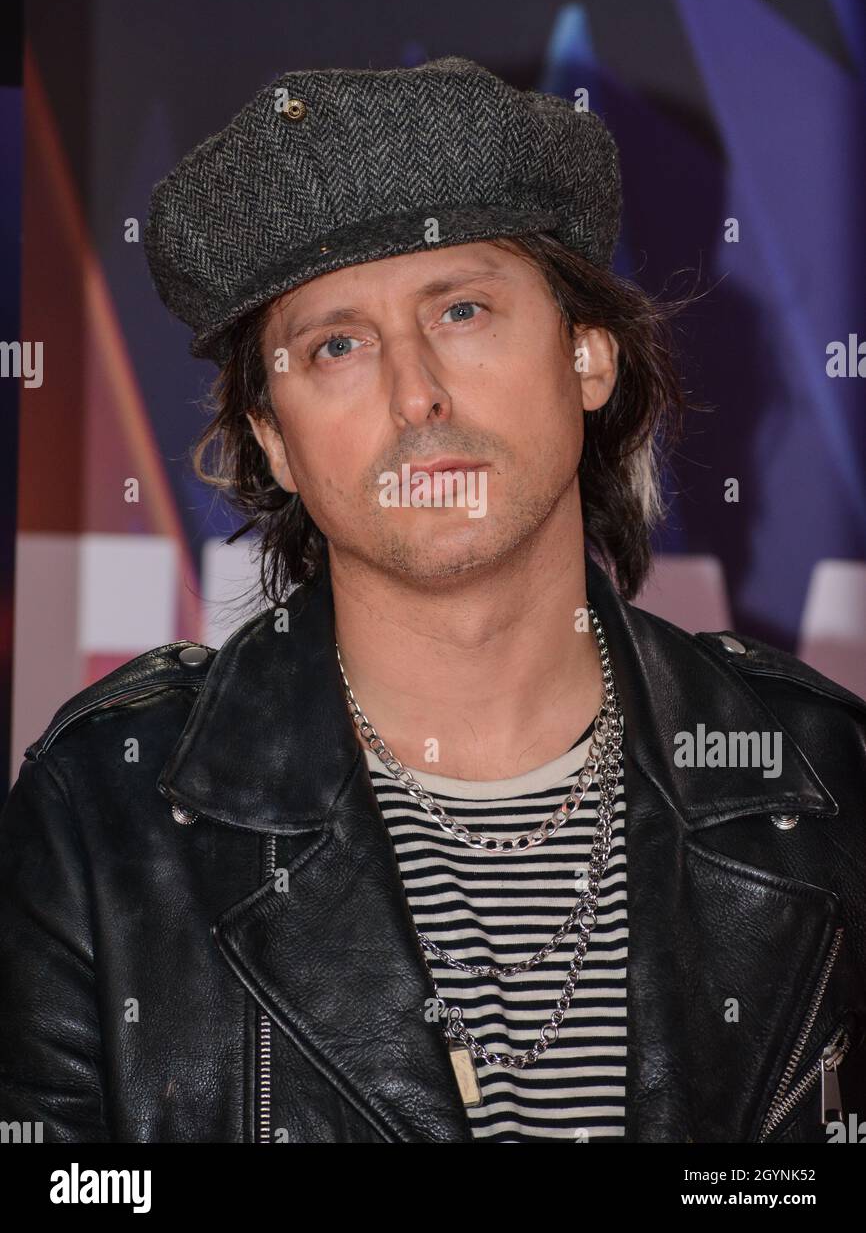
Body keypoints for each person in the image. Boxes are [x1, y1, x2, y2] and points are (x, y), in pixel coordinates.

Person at [1, 56, 864, 1144]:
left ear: (585, 354)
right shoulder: (105, 818)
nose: (415, 395)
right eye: (337, 345)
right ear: (274, 435)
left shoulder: (820, 782)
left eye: (459, 309)